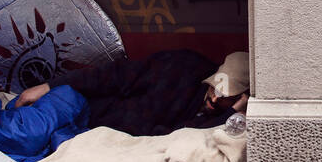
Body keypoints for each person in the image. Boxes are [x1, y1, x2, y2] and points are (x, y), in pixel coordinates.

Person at [15, 49, 248, 138]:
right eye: (214, 87)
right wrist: (49, 85)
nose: (215, 98)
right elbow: (116, 75)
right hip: (82, 106)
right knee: (21, 128)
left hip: (89, 135)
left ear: (241, 99)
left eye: (226, 97)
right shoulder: (181, 67)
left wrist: (229, 115)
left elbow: (183, 135)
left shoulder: (215, 121)